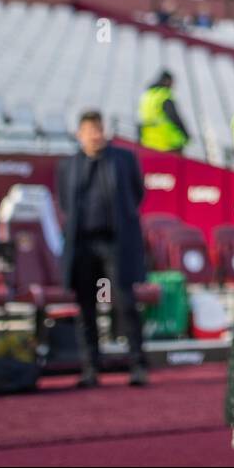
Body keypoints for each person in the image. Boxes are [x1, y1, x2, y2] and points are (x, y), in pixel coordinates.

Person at [55, 111, 150, 386]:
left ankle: (137, 365)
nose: (96, 135)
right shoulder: (68, 166)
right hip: (82, 244)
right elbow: (64, 202)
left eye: (99, 129)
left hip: (115, 243)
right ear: (79, 134)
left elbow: (136, 194)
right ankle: (90, 368)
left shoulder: (123, 159)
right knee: (86, 308)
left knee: (125, 303)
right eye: (90, 130)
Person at [137, 71, 190, 154]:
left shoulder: (147, 95)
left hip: (148, 141)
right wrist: (186, 134)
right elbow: (174, 116)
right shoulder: (164, 95)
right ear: (167, 81)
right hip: (168, 142)